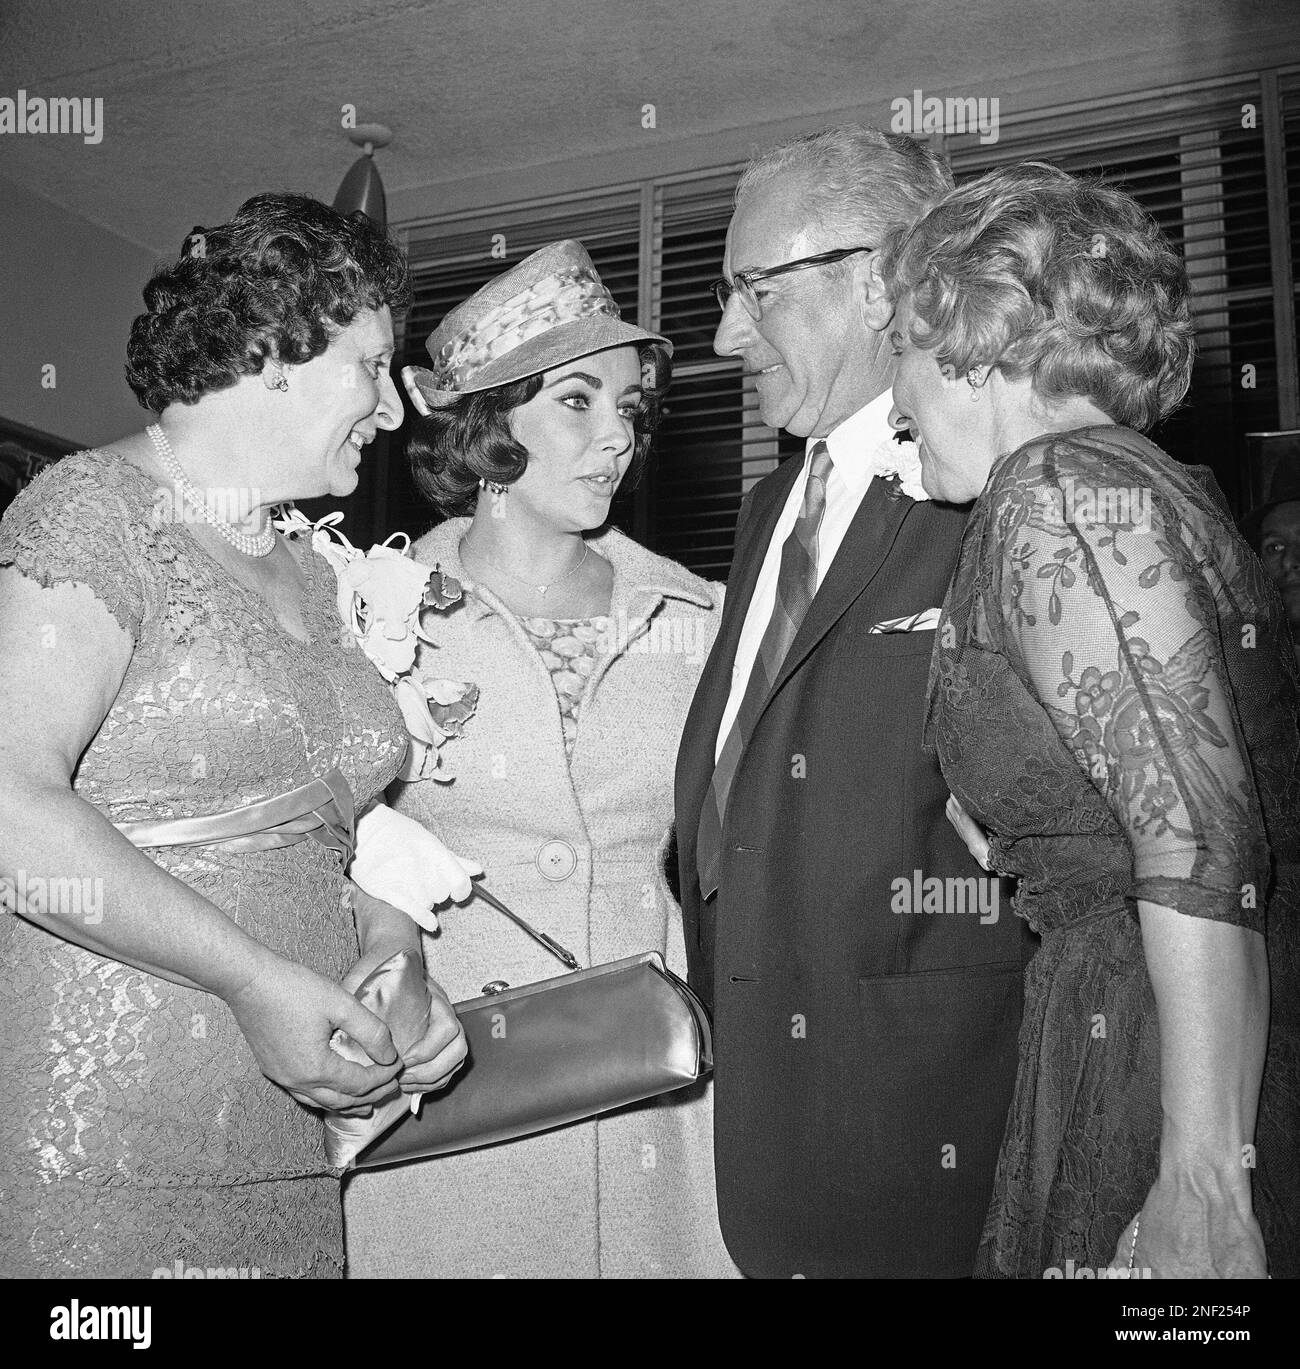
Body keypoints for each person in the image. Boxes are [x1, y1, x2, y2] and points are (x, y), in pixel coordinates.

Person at [0, 193, 473, 1278]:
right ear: (270, 351)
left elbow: (334, 834)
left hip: (288, 1133)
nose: (393, 413)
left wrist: (392, 967)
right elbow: (11, 801)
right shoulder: (92, 511)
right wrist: (256, 980)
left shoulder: (311, 566)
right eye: (370, 366)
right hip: (104, 1126)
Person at [884, 161, 1300, 1278]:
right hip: (1154, 1022)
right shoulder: (1136, 487)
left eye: (898, 352)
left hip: (1164, 1057)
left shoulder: (1058, 490)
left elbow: (1202, 843)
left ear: (969, 339)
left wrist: (1207, 1178)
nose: (893, 407)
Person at [673, 126, 1034, 1279]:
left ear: (881, 280)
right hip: (771, 1124)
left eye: (753, 290)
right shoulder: (766, 508)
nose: (727, 335)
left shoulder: (1005, 483)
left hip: (939, 1129)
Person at [343, 240, 741, 1278]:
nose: (619, 436)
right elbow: (318, 848)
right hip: (456, 1104)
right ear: (487, 426)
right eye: (577, 401)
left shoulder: (701, 622)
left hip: (661, 1107)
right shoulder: (365, 614)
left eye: (630, 408)